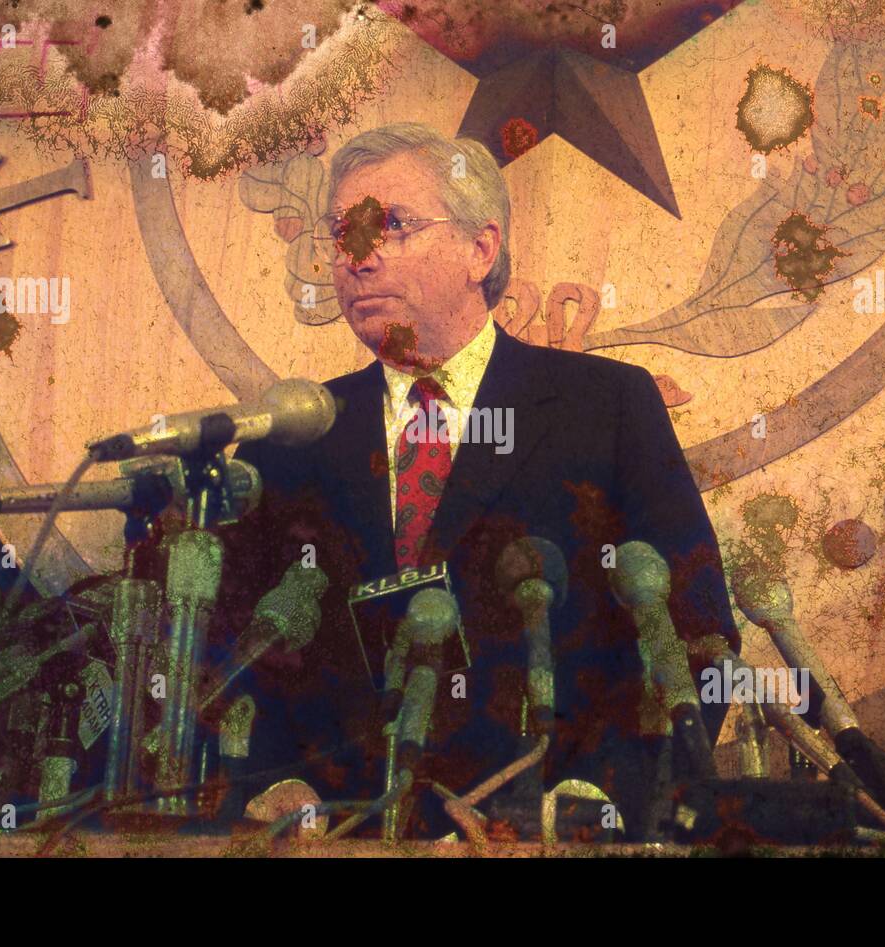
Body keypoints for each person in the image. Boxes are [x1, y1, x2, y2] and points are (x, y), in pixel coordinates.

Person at [221, 122, 740, 840]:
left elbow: (695, 631)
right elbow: (231, 650)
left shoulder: (606, 406)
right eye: (342, 234)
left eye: (392, 225)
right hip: (342, 839)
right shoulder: (299, 432)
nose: (357, 257)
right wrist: (274, 781)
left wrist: (597, 802)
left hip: (550, 833)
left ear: (480, 249)